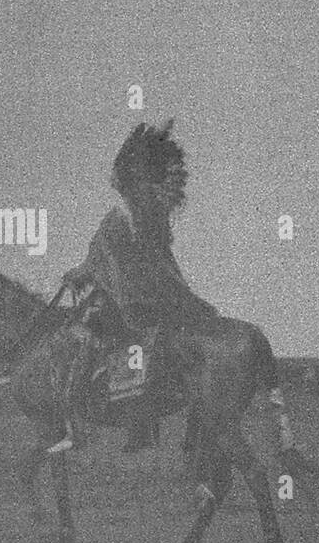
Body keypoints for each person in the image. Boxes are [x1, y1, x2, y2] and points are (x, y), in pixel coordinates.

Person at [51, 119, 213, 453]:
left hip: (127, 302)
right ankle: (141, 424)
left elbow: (104, 264)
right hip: (157, 299)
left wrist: (80, 274)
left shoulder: (120, 220)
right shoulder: (145, 220)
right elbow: (112, 262)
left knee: (80, 340)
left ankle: (73, 424)